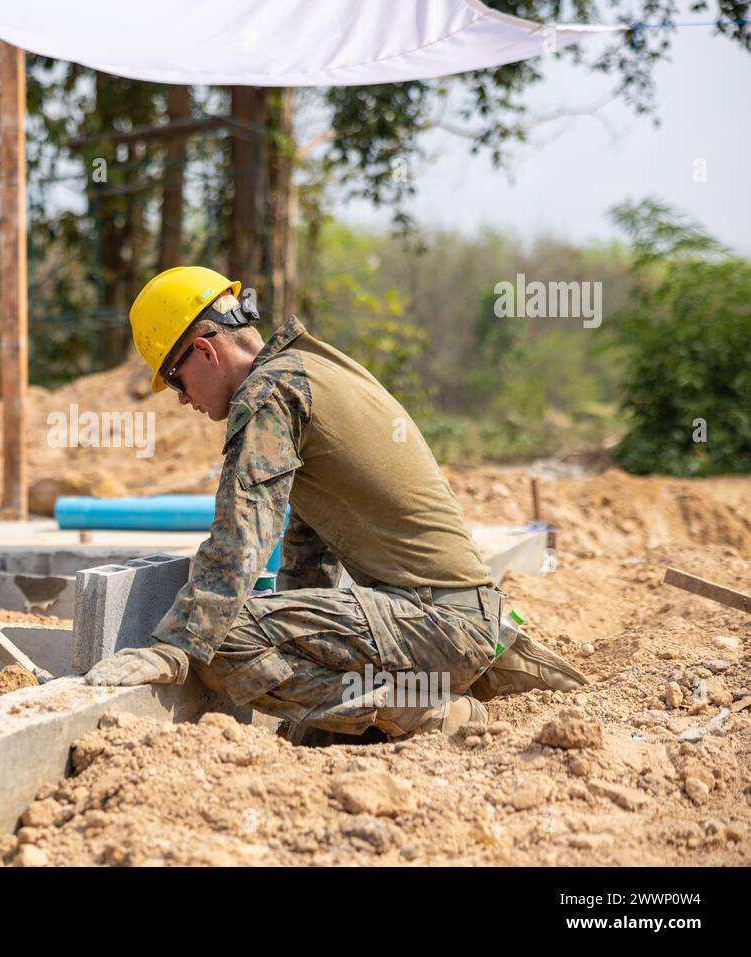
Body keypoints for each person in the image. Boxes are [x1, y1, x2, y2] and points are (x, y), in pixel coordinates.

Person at [84, 266, 585, 740]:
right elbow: (309, 547)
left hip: (438, 623)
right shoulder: (312, 369)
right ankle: (420, 694)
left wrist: (176, 647)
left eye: (175, 377)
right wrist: (306, 709)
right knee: (273, 674)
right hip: (463, 616)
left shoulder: (267, 394)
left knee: (220, 641)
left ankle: (437, 710)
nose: (180, 398)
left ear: (205, 352)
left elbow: (243, 532)